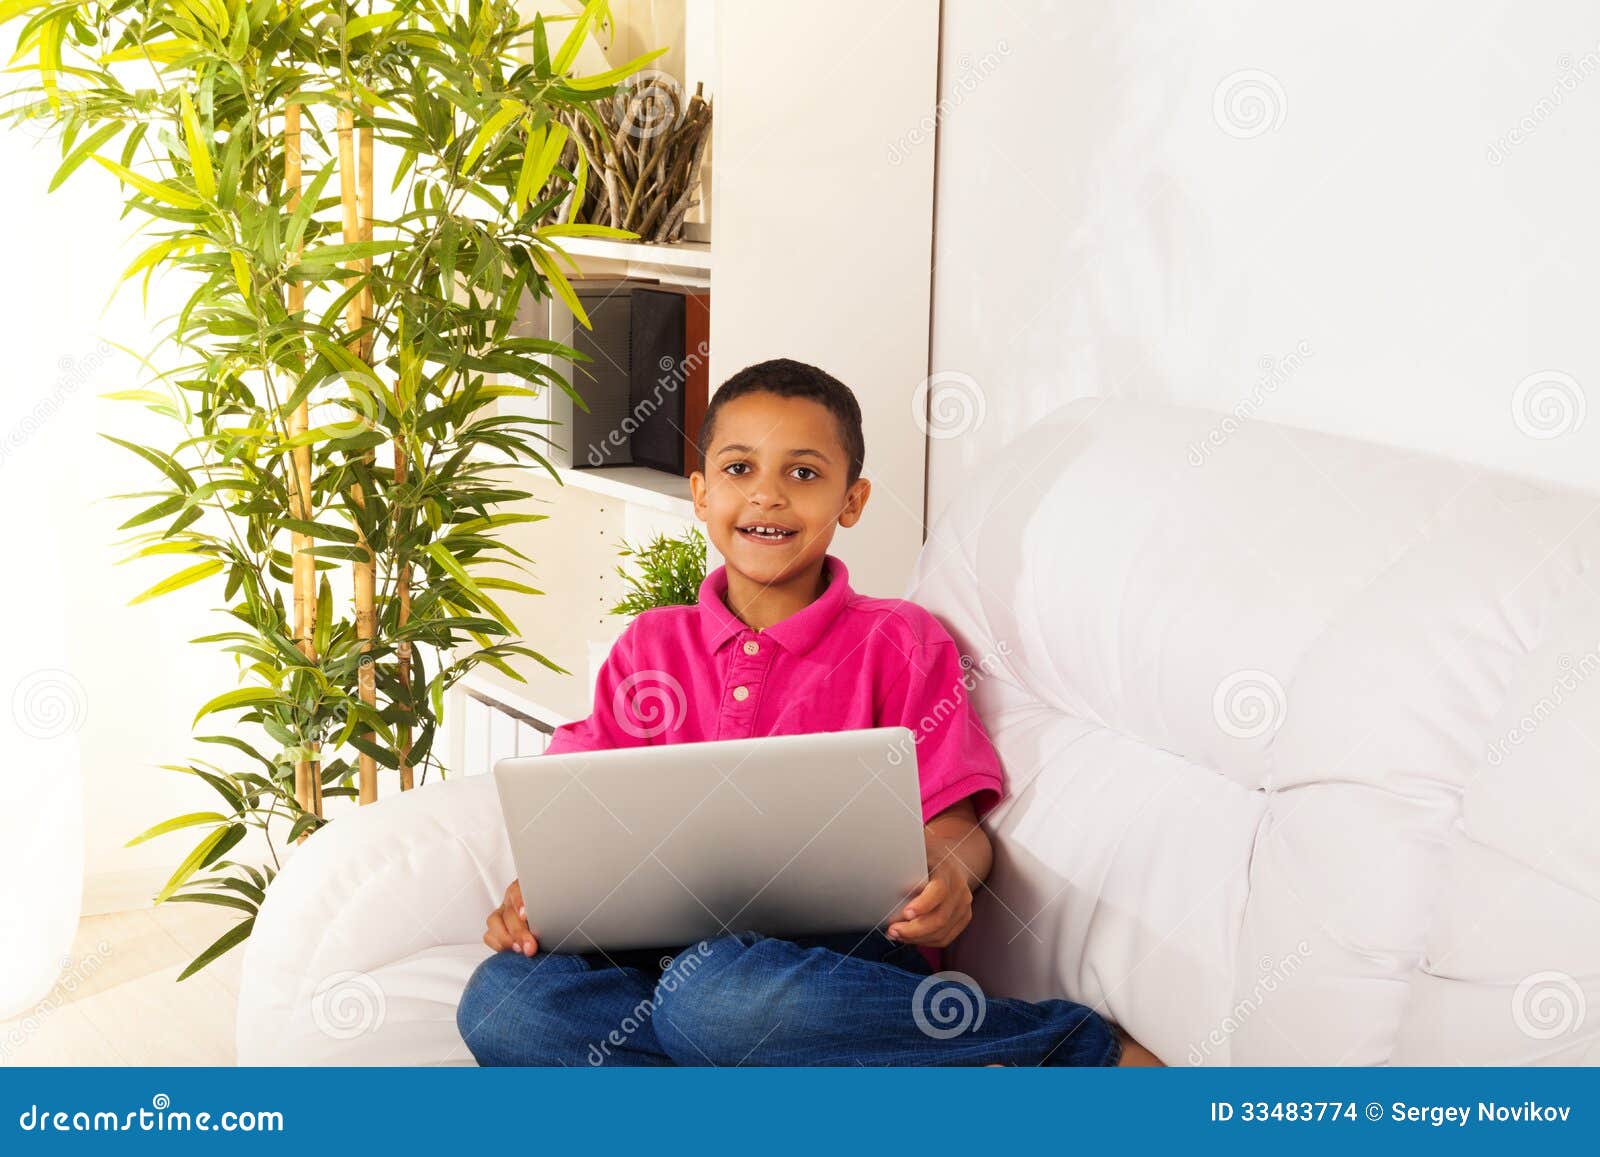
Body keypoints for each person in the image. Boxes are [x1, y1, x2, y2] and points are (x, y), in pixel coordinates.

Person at [456, 358, 1160, 1066]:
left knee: (721, 1000)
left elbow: (955, 823)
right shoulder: (651, 646)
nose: (767, 496)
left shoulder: (900, 640)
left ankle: (1070, 1049)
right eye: (738, 469)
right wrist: (535, 894)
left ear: (850, 501)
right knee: (503, 1003)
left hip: (838, 960)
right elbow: (570, 811)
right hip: (654, 959)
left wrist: (950, 876)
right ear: (699, 494)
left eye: (803, 474)